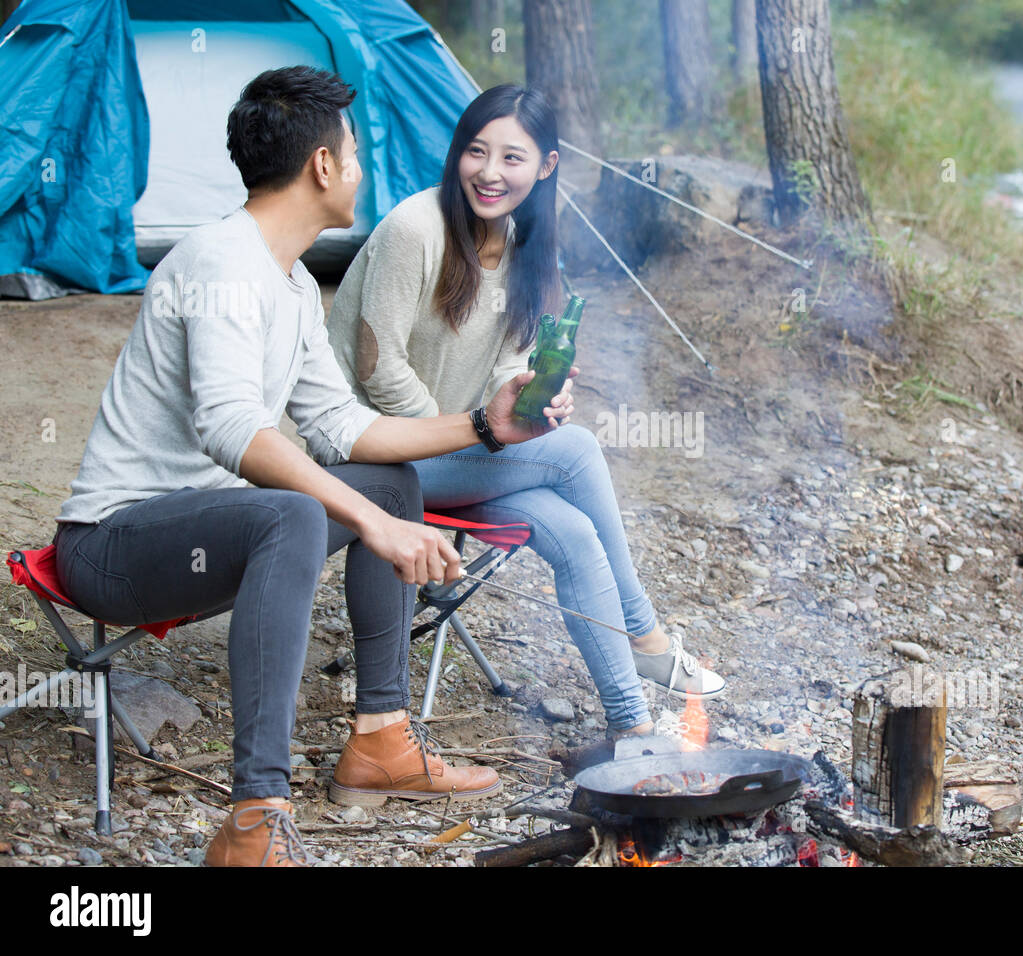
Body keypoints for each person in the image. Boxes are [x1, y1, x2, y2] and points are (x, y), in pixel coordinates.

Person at [51, 67, 573, 867]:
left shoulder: (291, 283)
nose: (362, 169)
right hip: (113, 548)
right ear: (324, 166)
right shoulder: (222, 262)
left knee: (390, 485)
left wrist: (483, 424)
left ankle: (380, 739)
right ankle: (255, 817)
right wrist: (370, 524)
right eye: (356, 153)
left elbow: (342, 426)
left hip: (215, 531)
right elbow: (231, 427)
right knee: (296, 509)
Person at [327, 84, 724, 740]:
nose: (489, 171)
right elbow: (377, 366)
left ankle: (633, 726)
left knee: (574, 531)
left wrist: (537, 397)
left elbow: (512, 367)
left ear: (545, 166)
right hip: (375, 457)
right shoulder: (414, 229)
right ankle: (649, 639)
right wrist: (458, 434)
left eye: (512, 158)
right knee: (575, 453)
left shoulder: (528, 250)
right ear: (457, 153)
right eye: (476, 152)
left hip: (464, 456)